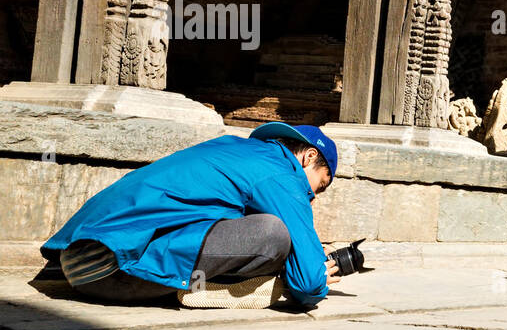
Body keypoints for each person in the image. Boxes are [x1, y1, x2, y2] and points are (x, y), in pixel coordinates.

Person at [41, 122, 343, 309]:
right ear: (309, 156)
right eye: (320, 184)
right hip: (109, 270)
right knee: (273, 235)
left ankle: (202, 284)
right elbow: (307, 284)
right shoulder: (279, 173)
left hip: (79, 260)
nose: (313, 196)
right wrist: (317, 273)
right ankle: (218, 291)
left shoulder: (236, 150)